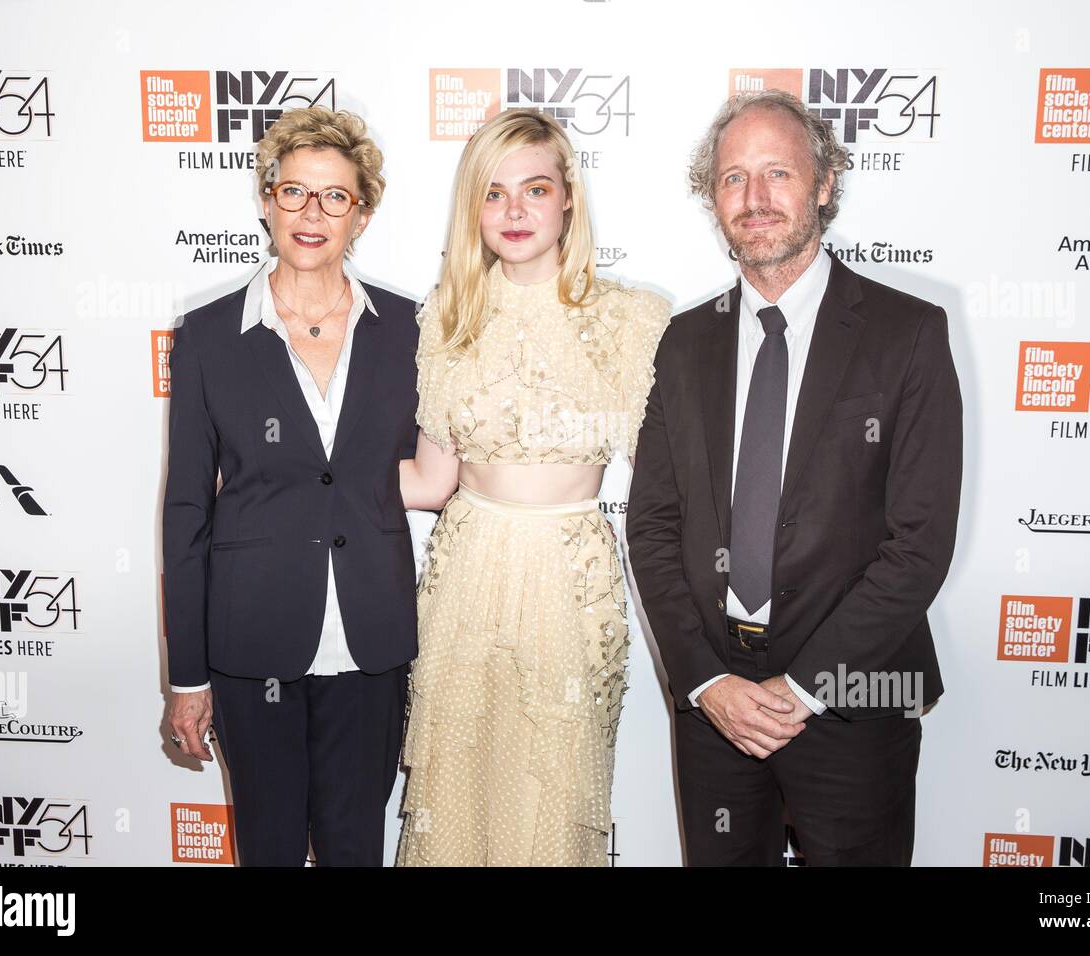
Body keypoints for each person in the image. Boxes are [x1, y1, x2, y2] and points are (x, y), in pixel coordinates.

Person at [626, 90, 962, 866]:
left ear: (824, 184)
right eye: (734, 178)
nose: (755, 198)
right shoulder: (681, 343)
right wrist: (705, 681)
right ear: (712, 200)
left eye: (778, 172)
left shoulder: (906, 333)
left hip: (852, 698)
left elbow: (919, 544)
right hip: (716, 710)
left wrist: (803, 688)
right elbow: (651, 526)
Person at [395, 107, 670, 866]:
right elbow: (429, 478)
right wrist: (288, 484)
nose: (514, 211)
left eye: (535, 188)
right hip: (466, 578)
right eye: (493, 193)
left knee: (556, 797)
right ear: (471, 206)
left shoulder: (633, 318)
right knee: (456, 801)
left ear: (568, 198)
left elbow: (666, 485)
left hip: (570, 582)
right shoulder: (447, 316)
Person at [162, 106, 419, 866]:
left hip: (370, 646)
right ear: (266, 199)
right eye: (294, 192)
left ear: (362, 213)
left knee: (354, 851)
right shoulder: (208, 336)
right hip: (253, 644)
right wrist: (187, 677)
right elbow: (185, 512)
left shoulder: (410, 329)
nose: (312, 213)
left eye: (335, 196)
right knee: (268, 852)